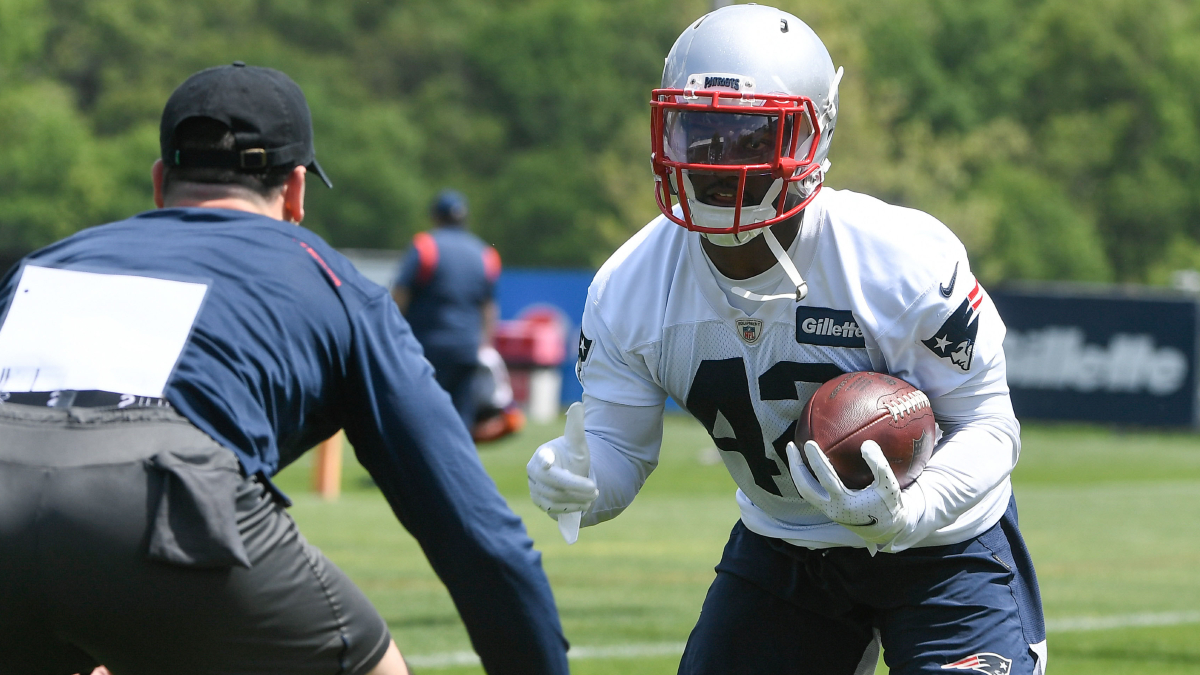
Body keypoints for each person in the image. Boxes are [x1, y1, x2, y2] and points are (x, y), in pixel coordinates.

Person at [0, 62, 568, 675]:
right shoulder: (329, 280)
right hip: (162, 510)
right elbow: (477, 535)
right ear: (296, 190)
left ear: (161, 181)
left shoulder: (47, 262)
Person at [526, 6, 1046, 675]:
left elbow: (989, 424)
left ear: (810, 134)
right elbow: (621, 447)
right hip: (786, 548)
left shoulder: (898, 258)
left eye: (748, 133)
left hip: (943, 549)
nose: (719, 158)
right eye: (700, 130)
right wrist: (582, 479)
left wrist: (909, 509)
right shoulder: (630, 285)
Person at [391, 189, 501, 429]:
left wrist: (392, 332)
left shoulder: (426, 246)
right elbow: (489, 307)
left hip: (427, 347)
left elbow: (401, 293)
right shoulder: (484, 253)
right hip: (466, 349)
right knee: (460, 422)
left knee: (421, 418)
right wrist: (485, 345)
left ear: (435, 216)